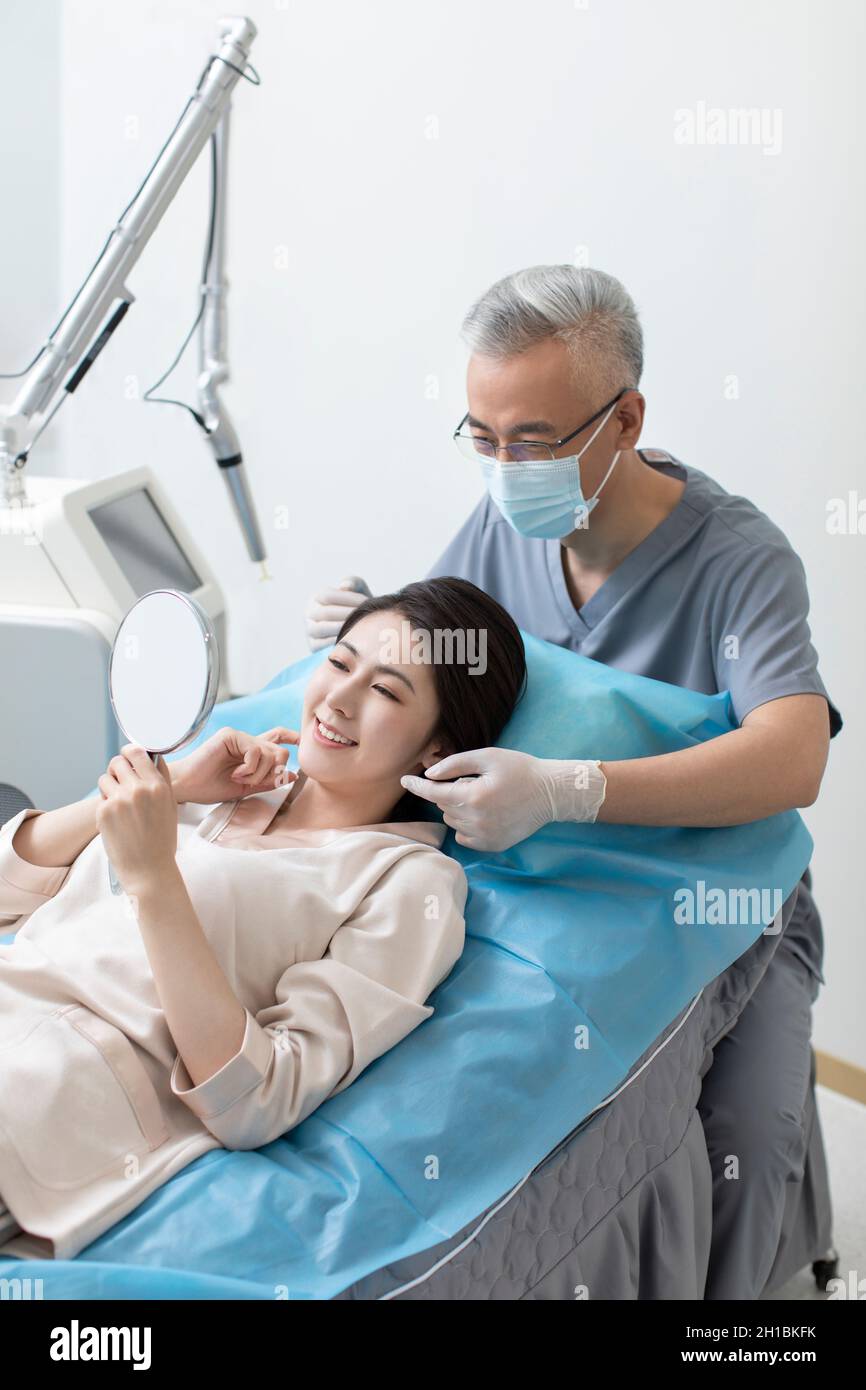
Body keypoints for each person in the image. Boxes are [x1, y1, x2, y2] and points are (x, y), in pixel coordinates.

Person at [305, 264, 841, 1299]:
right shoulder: (499, 530)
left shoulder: (737, 561)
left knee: (745, 1127)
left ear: (625, 416)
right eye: (480, 437)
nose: (503, 471)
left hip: (715, 906)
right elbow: (441, 670)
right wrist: (364, 641)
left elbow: (793, 755)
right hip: (531, 893)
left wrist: (569, 789)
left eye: (533, 441)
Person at [0, 577, 526, 1261]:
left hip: (44, 1092)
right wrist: (177, 785)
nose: (337, 698)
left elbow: (258, 1100)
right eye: (339, 663)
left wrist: (157, 879)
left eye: (387, 691)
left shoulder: (407, 883)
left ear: (438, 747)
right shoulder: (224, 783)